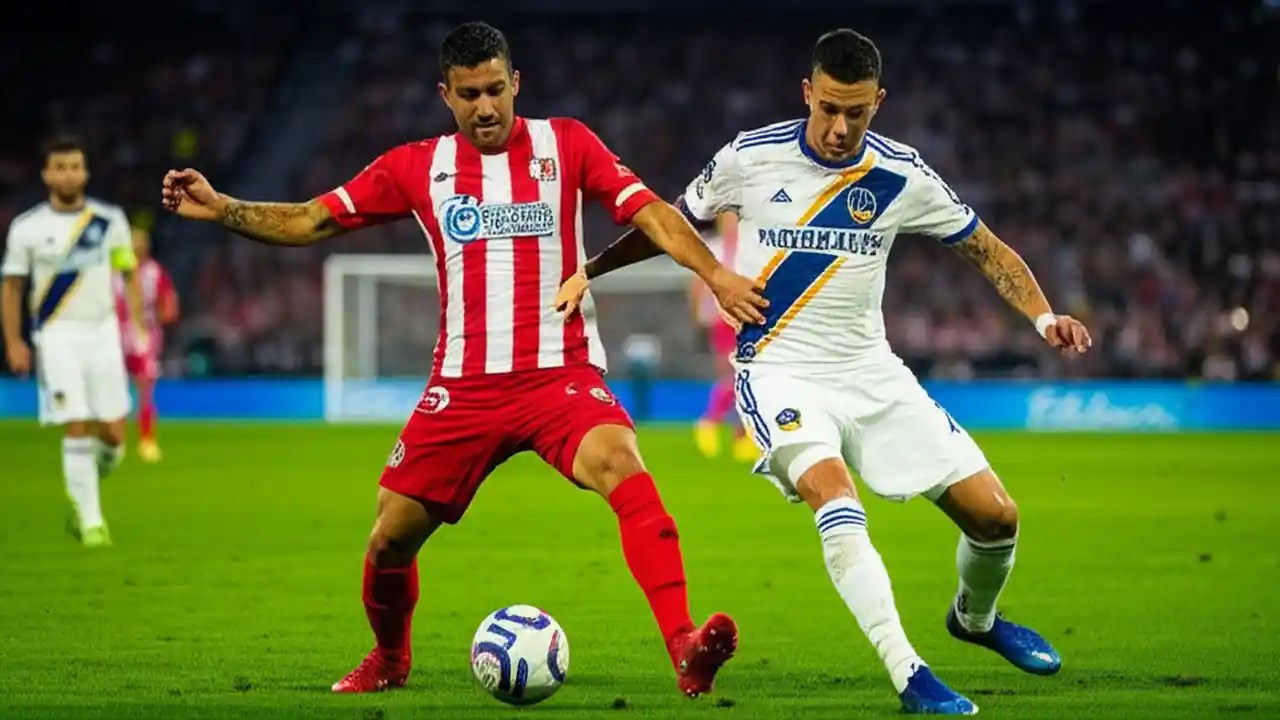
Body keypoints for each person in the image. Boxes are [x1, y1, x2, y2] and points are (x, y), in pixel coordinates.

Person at [160, 21, 767, 697]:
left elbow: (650, 212)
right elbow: (311, 220)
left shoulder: (566, 144)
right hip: (463, 388)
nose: (485, 107)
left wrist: (715, 274)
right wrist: (223, 209)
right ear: (445, 95)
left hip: (556, 375)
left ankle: (685, 646)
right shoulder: (415, 166)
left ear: (516, 84)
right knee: (389, 540)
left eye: (495, 90)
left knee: (624, 467)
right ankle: (389, 659)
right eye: (469, 94)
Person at [557, 29, 1092, 715]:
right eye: (829, 108)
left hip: (872, 372)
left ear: (880, 103)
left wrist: (1045, 319)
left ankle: (975, 622)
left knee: (997, 520)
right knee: (838, 503)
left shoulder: (904, 175)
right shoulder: (750, 158)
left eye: (858, 113)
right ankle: (910, 675)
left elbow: (988, 251)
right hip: (777, 370)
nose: (840, 128)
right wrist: (593, 270)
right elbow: (667, 222)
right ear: (807, 92)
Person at [1, 136, 148, 548]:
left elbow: (129, 274)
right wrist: (14, 341)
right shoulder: (27, 228)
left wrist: (136, 326)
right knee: (76, 422)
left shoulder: (109, 221)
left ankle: (85, 488)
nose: (69, 173)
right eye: (60, 167)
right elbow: (12, 288)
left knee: (115, 437)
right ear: (47, 173)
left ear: (85, 172)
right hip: (57, 335)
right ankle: (91, 522)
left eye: (75, 166)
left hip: (102, 333)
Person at [690, 212, 755, 461]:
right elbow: (698, 282)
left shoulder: (753, 247)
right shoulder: (715, 248)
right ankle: (711, 421)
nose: (733, 224)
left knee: (749, 375)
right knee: (732, 374)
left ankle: (743, 433)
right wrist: (699, 313)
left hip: (749, 316)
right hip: (723, 319)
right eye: (729, 220)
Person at [113, 223, 178, 463]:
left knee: (145, 390)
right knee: (113, 389)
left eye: (140, 244)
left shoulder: (154, 272)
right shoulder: (115, 273)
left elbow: (168, 302)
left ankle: (147, 440)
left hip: (145, 335)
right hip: (118, 334)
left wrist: (160, 318)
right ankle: (114, 440)